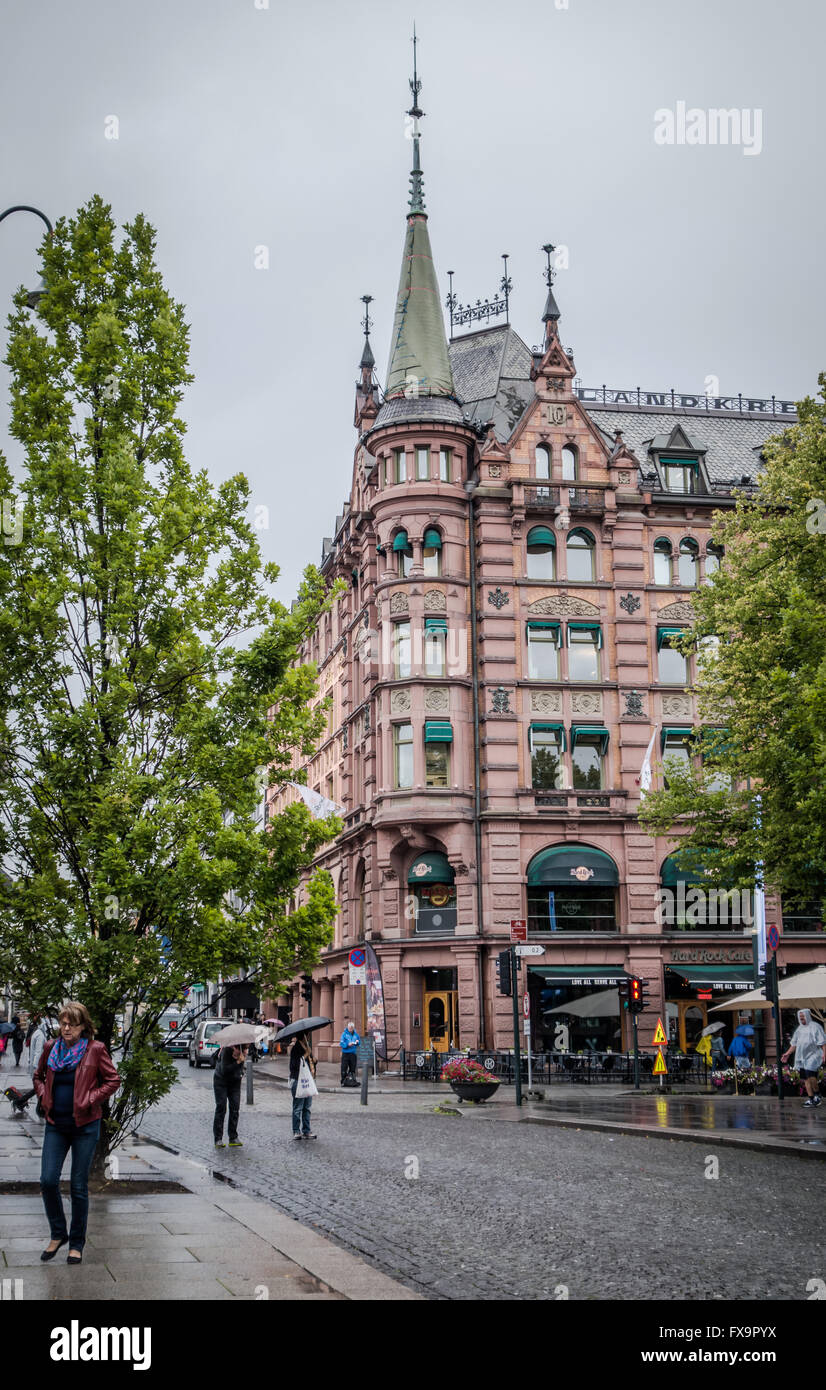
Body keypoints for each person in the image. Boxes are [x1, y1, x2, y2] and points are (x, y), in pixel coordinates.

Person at [33, 1001, 121, 1264]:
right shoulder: (51, 1048)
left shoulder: (95, 1050)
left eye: (72, 1023)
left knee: (78, 1186)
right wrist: (43, 1094)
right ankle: (58, 1233)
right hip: (56, 1125)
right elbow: (38, 1077)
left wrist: (90, 1098)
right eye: (63, 1023)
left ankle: (77, 1243)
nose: (66, 1027)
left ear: (83, 1026)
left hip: (85, 1126)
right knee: (48, 1181)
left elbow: (113, 1080)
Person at [781, 1008, 826, 1107]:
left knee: (810, 1074)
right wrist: (787, 1053)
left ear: (807, 1016)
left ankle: (817, 1094)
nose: (801, 1018)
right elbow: (794, 1044)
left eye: (803, 1016)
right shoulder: (799, 1029)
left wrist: (824, 1054)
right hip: (802, 1057)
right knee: (805, 1078)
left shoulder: (815, 1027)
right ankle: (811, 1099)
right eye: (800, 1017)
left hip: (814, 1055)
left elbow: (823, 1042)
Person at [213, 1043, 247, 1148]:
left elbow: (239, 1070)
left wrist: (241, 1064)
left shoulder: (243, 1051)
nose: (248, 1048)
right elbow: (224, 1070)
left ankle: (233, 1137)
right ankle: (218, 1139)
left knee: (235, 1108)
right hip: (221, 1082)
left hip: (235, 1084)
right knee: (221, 1108)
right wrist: (237, 1061)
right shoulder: (226, 1051)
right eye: (247, 1046)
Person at [289, 1032, 317, 1140]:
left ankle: (306, 1130)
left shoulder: (306, 1047)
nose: (309, 1038)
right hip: (297, 1080)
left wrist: (313, 1058)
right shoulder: (296, 1048)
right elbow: (295, 1065)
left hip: (307, 1080)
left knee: (307, 1107)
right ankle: (296, 1131)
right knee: (298, 1107)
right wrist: (306, 1054)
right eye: (308, 1036)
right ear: (304, 1036)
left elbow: (310, 1063)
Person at [339, 1021, 360, 1086]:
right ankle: (343, 1081)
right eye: (349, 1028)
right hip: (345, 1053)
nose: (350, 1029)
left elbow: (359, 1042)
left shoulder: (356, 1034)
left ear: (353, 1028)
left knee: (353, 1068)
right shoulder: (344, 1034)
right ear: (347, 1027)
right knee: (344, 1068)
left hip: (353, 1053)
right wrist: (347, 1045)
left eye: (351, 1028)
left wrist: (357, 1042)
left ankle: (352, 1080)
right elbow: (341, 1043)